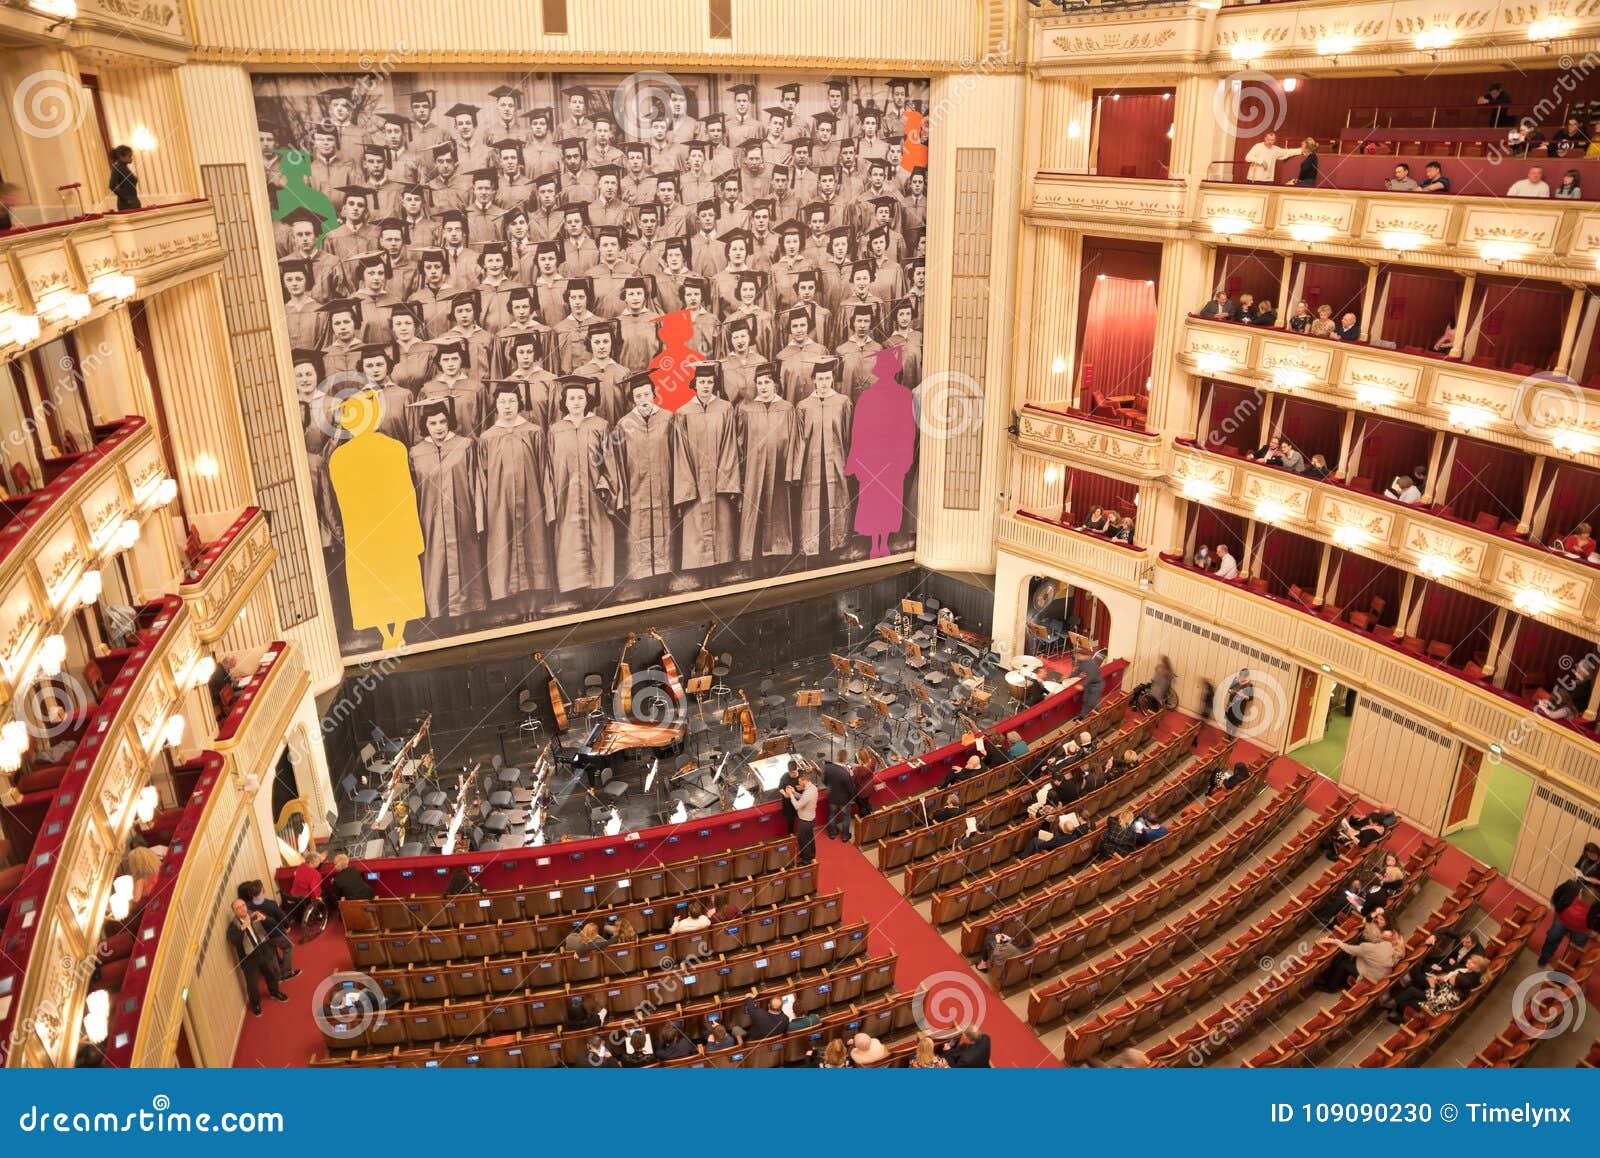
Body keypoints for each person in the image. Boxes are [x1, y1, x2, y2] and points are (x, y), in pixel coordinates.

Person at [226, 898, 289, 1017]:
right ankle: (256, 1004)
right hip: (249, 958)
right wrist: (242, 928)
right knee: (253, 984)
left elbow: (273, 924)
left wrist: (264, 918)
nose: (242, 908)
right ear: (234, 912)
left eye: (243, 905)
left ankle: (274, 992)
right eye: (238, 908)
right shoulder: (233, 926)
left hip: (263, 950)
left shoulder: (254, 914)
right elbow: (235, 942)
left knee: (271, 973)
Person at [1387, 955, 1488, 1022]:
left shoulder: (1455, 993)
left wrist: (1432, 985)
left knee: (1407, 999)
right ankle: (1393, 1006)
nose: (1451, 977)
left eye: (1453, 978)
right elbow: (1445, 985)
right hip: (1437, 998)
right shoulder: (1456, 986)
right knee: (1411, 991)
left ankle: (1402, 1017)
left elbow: (1433, 1001)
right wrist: (1437, 980)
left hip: (1431, 1009)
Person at [237, 880, 299, 979]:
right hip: (276, 933)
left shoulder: (248, 907)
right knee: (288, 947)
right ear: (262, 891)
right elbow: (282, 917)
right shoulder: (271, 904)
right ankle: (286, 972)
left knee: (272, 954)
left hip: (262, 937)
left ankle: (277, 976)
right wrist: (287, 926)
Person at [1318, 928, 1404, 992]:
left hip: (1369, 976)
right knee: (1349, 959)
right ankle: (1331, 977)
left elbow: (1348, 948)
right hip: (1381, 974)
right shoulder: (1389, 947)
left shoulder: (1369, 947)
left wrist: (1333, 941)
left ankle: (1331, 987)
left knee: (1343, 964)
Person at [1538, 878, 1599, 966]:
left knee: (1575, 950)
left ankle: (1565, 967)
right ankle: (1544, 957)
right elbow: (1557, 893)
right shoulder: (1570, 887)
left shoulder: (1597, 901)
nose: (1586, 905)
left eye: (1589, 905)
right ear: (1580, 894)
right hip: (1561, 921)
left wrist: (1596, 931)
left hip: (1582, 930)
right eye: (1584, 903)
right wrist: (1553, 906)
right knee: (1552, 938)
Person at [782, 767, 819, 863]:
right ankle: (811, 854)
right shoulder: (812, 788)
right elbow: (803, 798)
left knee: (803, 840)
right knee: (809, 838)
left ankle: (806, 860)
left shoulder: (808, 792)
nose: (799, 783)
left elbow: (797, 806)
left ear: (805, 780)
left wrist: (790, 795)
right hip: (810, 818)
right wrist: (794, 792)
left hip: (805, 821)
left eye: (800, 781)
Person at [822, 759, 855, 840]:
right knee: (846, 817)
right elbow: (850, 788)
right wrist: (852, 798)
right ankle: (845, 836)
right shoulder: (845, 773)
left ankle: (832, 834)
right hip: (844, 800)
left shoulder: (828, 768)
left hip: (832, 797)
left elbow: (824, 781)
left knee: (832, 815)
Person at [1070, 645, 1104, 719]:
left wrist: (1083, 685)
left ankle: (1101, 714)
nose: (1077, 658)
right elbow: (1077, 671)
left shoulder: (1091, 662)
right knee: (1085, 700)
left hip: (1096, 685)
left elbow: (1091, 676)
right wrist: (1067, 677)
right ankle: (1083, 716)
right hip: (1089, 685)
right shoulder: (1083, 662)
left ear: (1082, 655)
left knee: (1092, 702)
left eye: (1077, 656)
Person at [109, 145, 141, 211]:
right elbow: (111, 186)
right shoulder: (117, 167)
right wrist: (126, 199)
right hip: (127, 204)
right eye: (129, 156)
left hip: (133, 200)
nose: (131, 158)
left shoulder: (124, 167)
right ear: (121, 157)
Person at [1224, 669, 1254, 737]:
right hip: (1231, 703)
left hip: (1239, 706)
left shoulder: (1249, 685)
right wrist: (1231, 691)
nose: (1241, 676)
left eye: (1243, 674)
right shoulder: (1236, 680)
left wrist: (1243, 696)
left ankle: (1231, 735)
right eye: (1241, 674)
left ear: (1246, 675)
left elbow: (1250, 698)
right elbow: (1229, 689)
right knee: (1228, 720)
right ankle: (1228, 734)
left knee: (1235, 722)